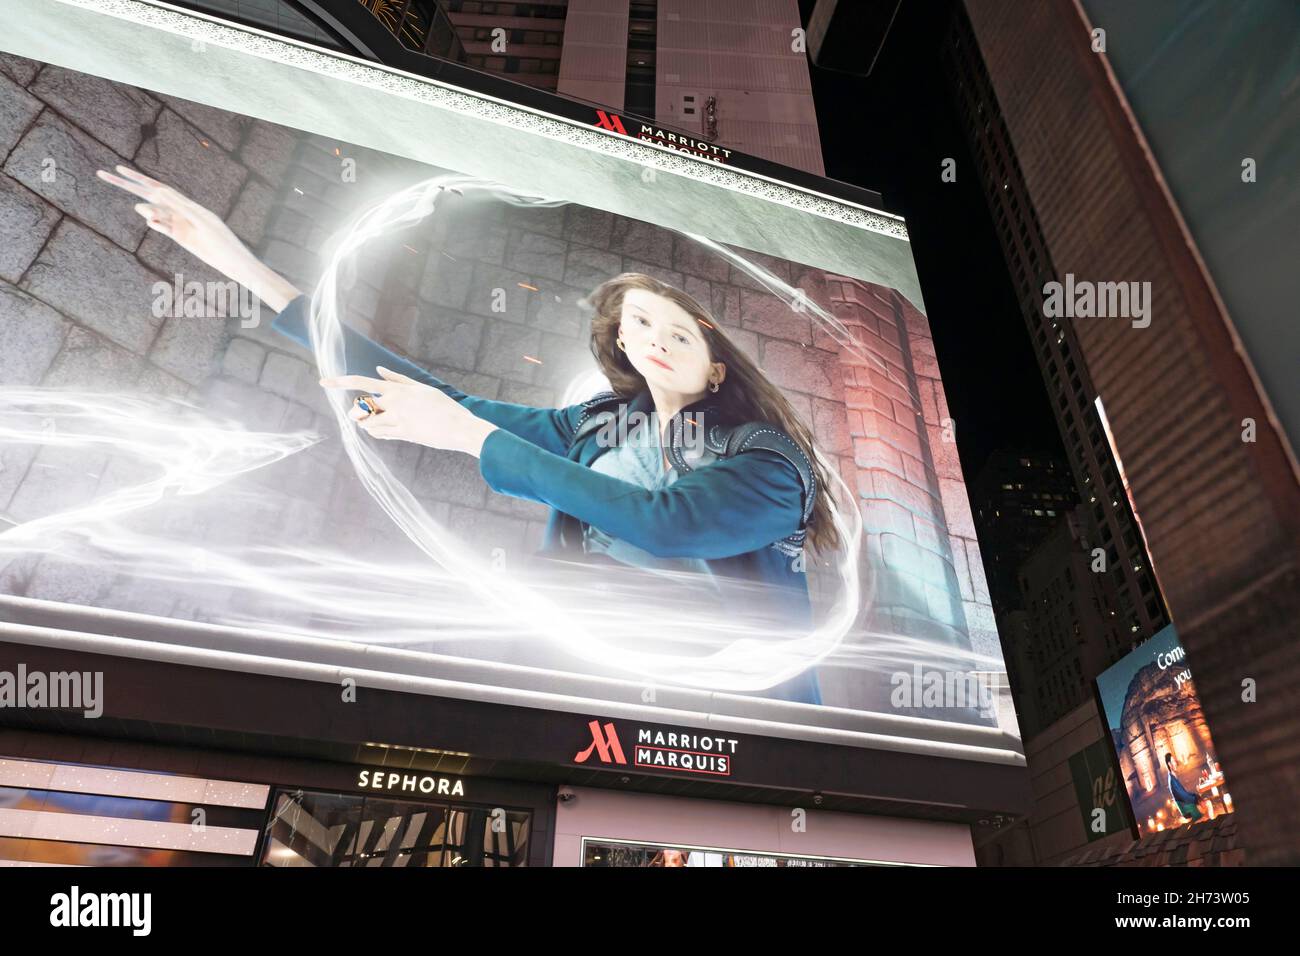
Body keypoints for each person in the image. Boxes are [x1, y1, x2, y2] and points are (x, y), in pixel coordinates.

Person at [96, 165, 840, 704]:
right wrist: (241, 265)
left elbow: (668, 526)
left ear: (718, 370)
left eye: (679, 328)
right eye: (640, 321)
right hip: (602, 693)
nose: (656, 334)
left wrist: (474, 442)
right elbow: (441, 399)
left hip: (748, 719)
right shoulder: (598, 427)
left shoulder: (769, 462)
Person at [1164, 752, 1204, 825]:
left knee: (1205, 803)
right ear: (1169, 764)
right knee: (1207, 805)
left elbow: (1184, 793)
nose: (1175, 763)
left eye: (1174, 761)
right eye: (1173, 761)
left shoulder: (1173, 776)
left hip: (1186, 803)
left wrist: (1196, 795)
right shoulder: (1172, 780)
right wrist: (1196, 799)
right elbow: (1183, 796)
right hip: (1186, 808)